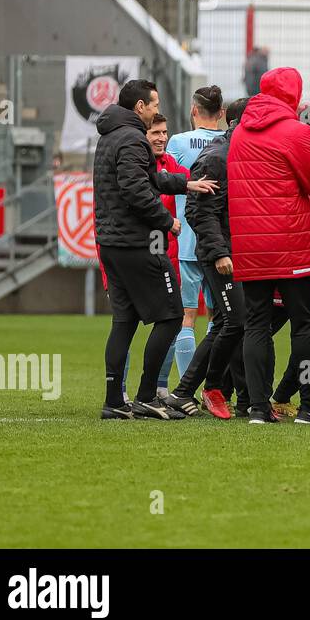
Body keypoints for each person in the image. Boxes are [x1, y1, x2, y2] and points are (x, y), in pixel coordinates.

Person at [94, 79, 215, 419]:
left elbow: (148, 178)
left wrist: (185, 183)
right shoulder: (132, 138)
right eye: (154, 104)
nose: (157, 111)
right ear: (139, 108)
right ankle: (149, 395)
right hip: (136, 244)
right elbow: (136, 191)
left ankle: (114, 402)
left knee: (125, 322)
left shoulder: (109, 137)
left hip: (112, 244)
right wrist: (166, 221)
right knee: (173, 315)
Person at [228, 66, 310, 425]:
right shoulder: (295, 131)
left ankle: (258, 407)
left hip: (250, 243)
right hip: (292, 241)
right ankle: (307, 404)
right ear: (293, 95)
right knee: (304, 326)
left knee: (256, 324)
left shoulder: (241, 132)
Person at [163, 98, 251, 420]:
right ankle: (206, 389)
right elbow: (198, 211)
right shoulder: (216, 157)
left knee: (227, 322)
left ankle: (186, 391)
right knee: (231, 321)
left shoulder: (240, 155)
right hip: (217, 254)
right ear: (235, 122)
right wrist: (219, 252)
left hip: (234, 252)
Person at [164, 85, 226, 397]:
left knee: (187, 316)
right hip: (220, 245)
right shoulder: (227, 143)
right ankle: (211, 388)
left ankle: (185, 388)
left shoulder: (177, 142)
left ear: (194, 110)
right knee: (222, 320)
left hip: (188, 240)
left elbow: (163, 178)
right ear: (223, 113)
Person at [144, 113, 188, 397]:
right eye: (155, 133)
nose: (161, 137)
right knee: (127, 325)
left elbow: (191, 182)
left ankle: (160, 387)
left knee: (173, 318)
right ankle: (121, 391)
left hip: (168, 257)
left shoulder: (172, 165)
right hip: (140, 256)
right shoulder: (133, 167)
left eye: (164, 132)